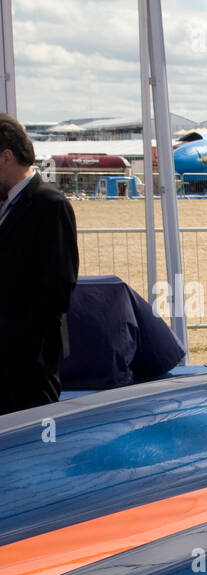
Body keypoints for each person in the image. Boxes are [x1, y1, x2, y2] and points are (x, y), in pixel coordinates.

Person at [0, 114, 78, 414]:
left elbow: (59, 285)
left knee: (34, 440)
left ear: (6, 157)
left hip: (29, 357)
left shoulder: (50, 204)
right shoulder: (6, 202)